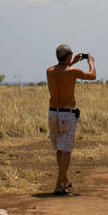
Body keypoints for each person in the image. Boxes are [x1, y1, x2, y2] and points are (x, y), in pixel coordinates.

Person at [46, 44, 96, 195]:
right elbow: (92, 76)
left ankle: (64, 180)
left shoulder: (50, 71)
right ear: (67, 56)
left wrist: (72, 62)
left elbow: (62, 72)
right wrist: (91, 62)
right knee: (66, 149)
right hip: (67, 114)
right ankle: (58, 185)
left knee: (60, 149)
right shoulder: (72, 71)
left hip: (53, 113)